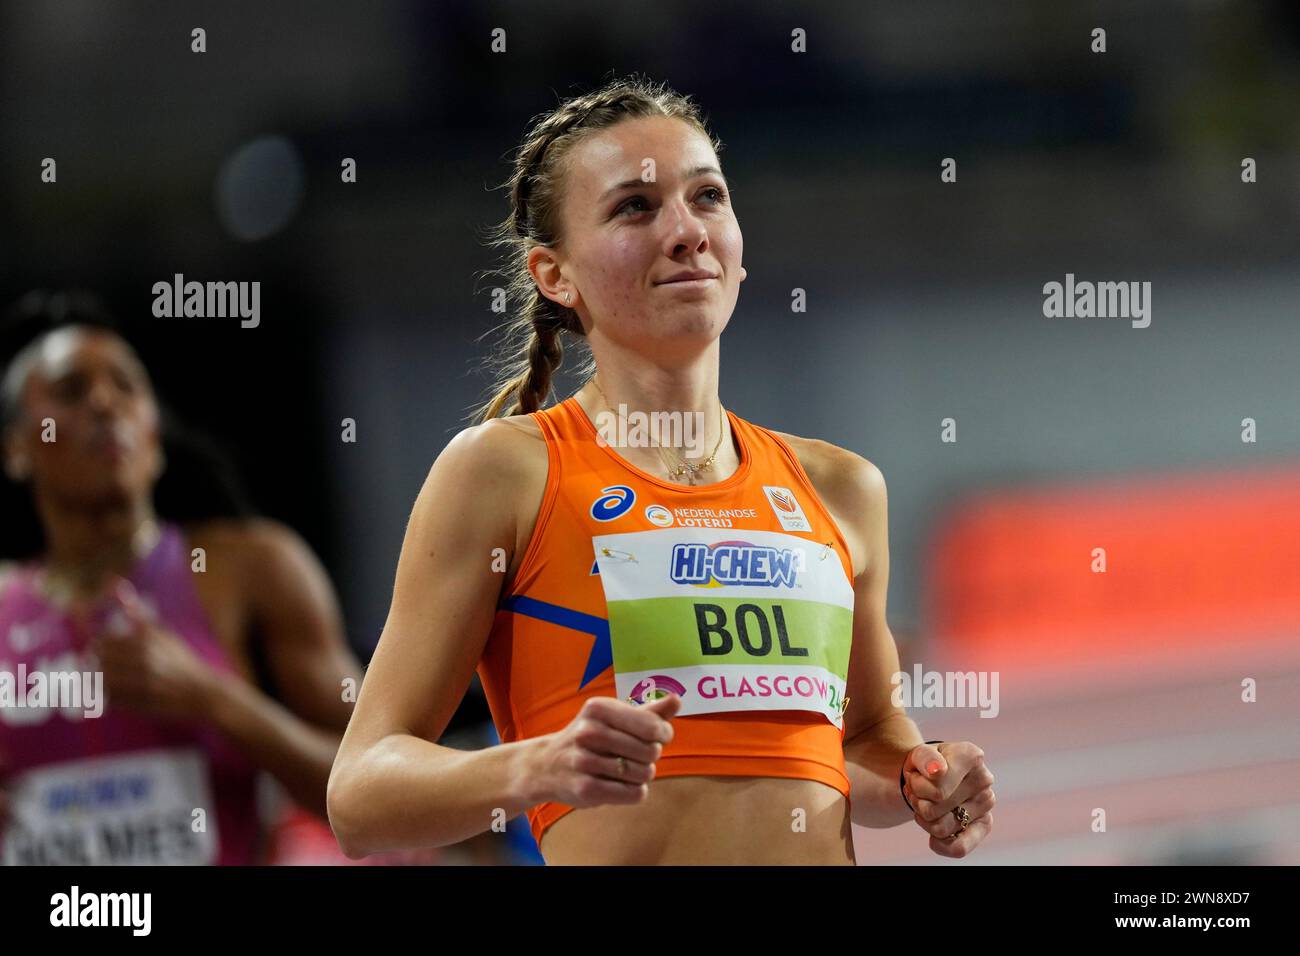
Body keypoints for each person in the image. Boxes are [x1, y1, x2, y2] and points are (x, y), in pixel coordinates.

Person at [328, 75, 995, 864]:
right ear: (554, 274)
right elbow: (359, 796)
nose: (687, 231)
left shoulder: (841, 488)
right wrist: (531, 767)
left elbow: (867, 744)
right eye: (634, 207)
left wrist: (930, 779)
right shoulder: (504, 471)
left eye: (707, 196)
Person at [0, 292, 365, 864]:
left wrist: (214, 698)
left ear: (154, 440)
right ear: (18, 448)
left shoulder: (254, 567)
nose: (103, 403)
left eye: (127, 387)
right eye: (71, 390)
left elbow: (378, 790)